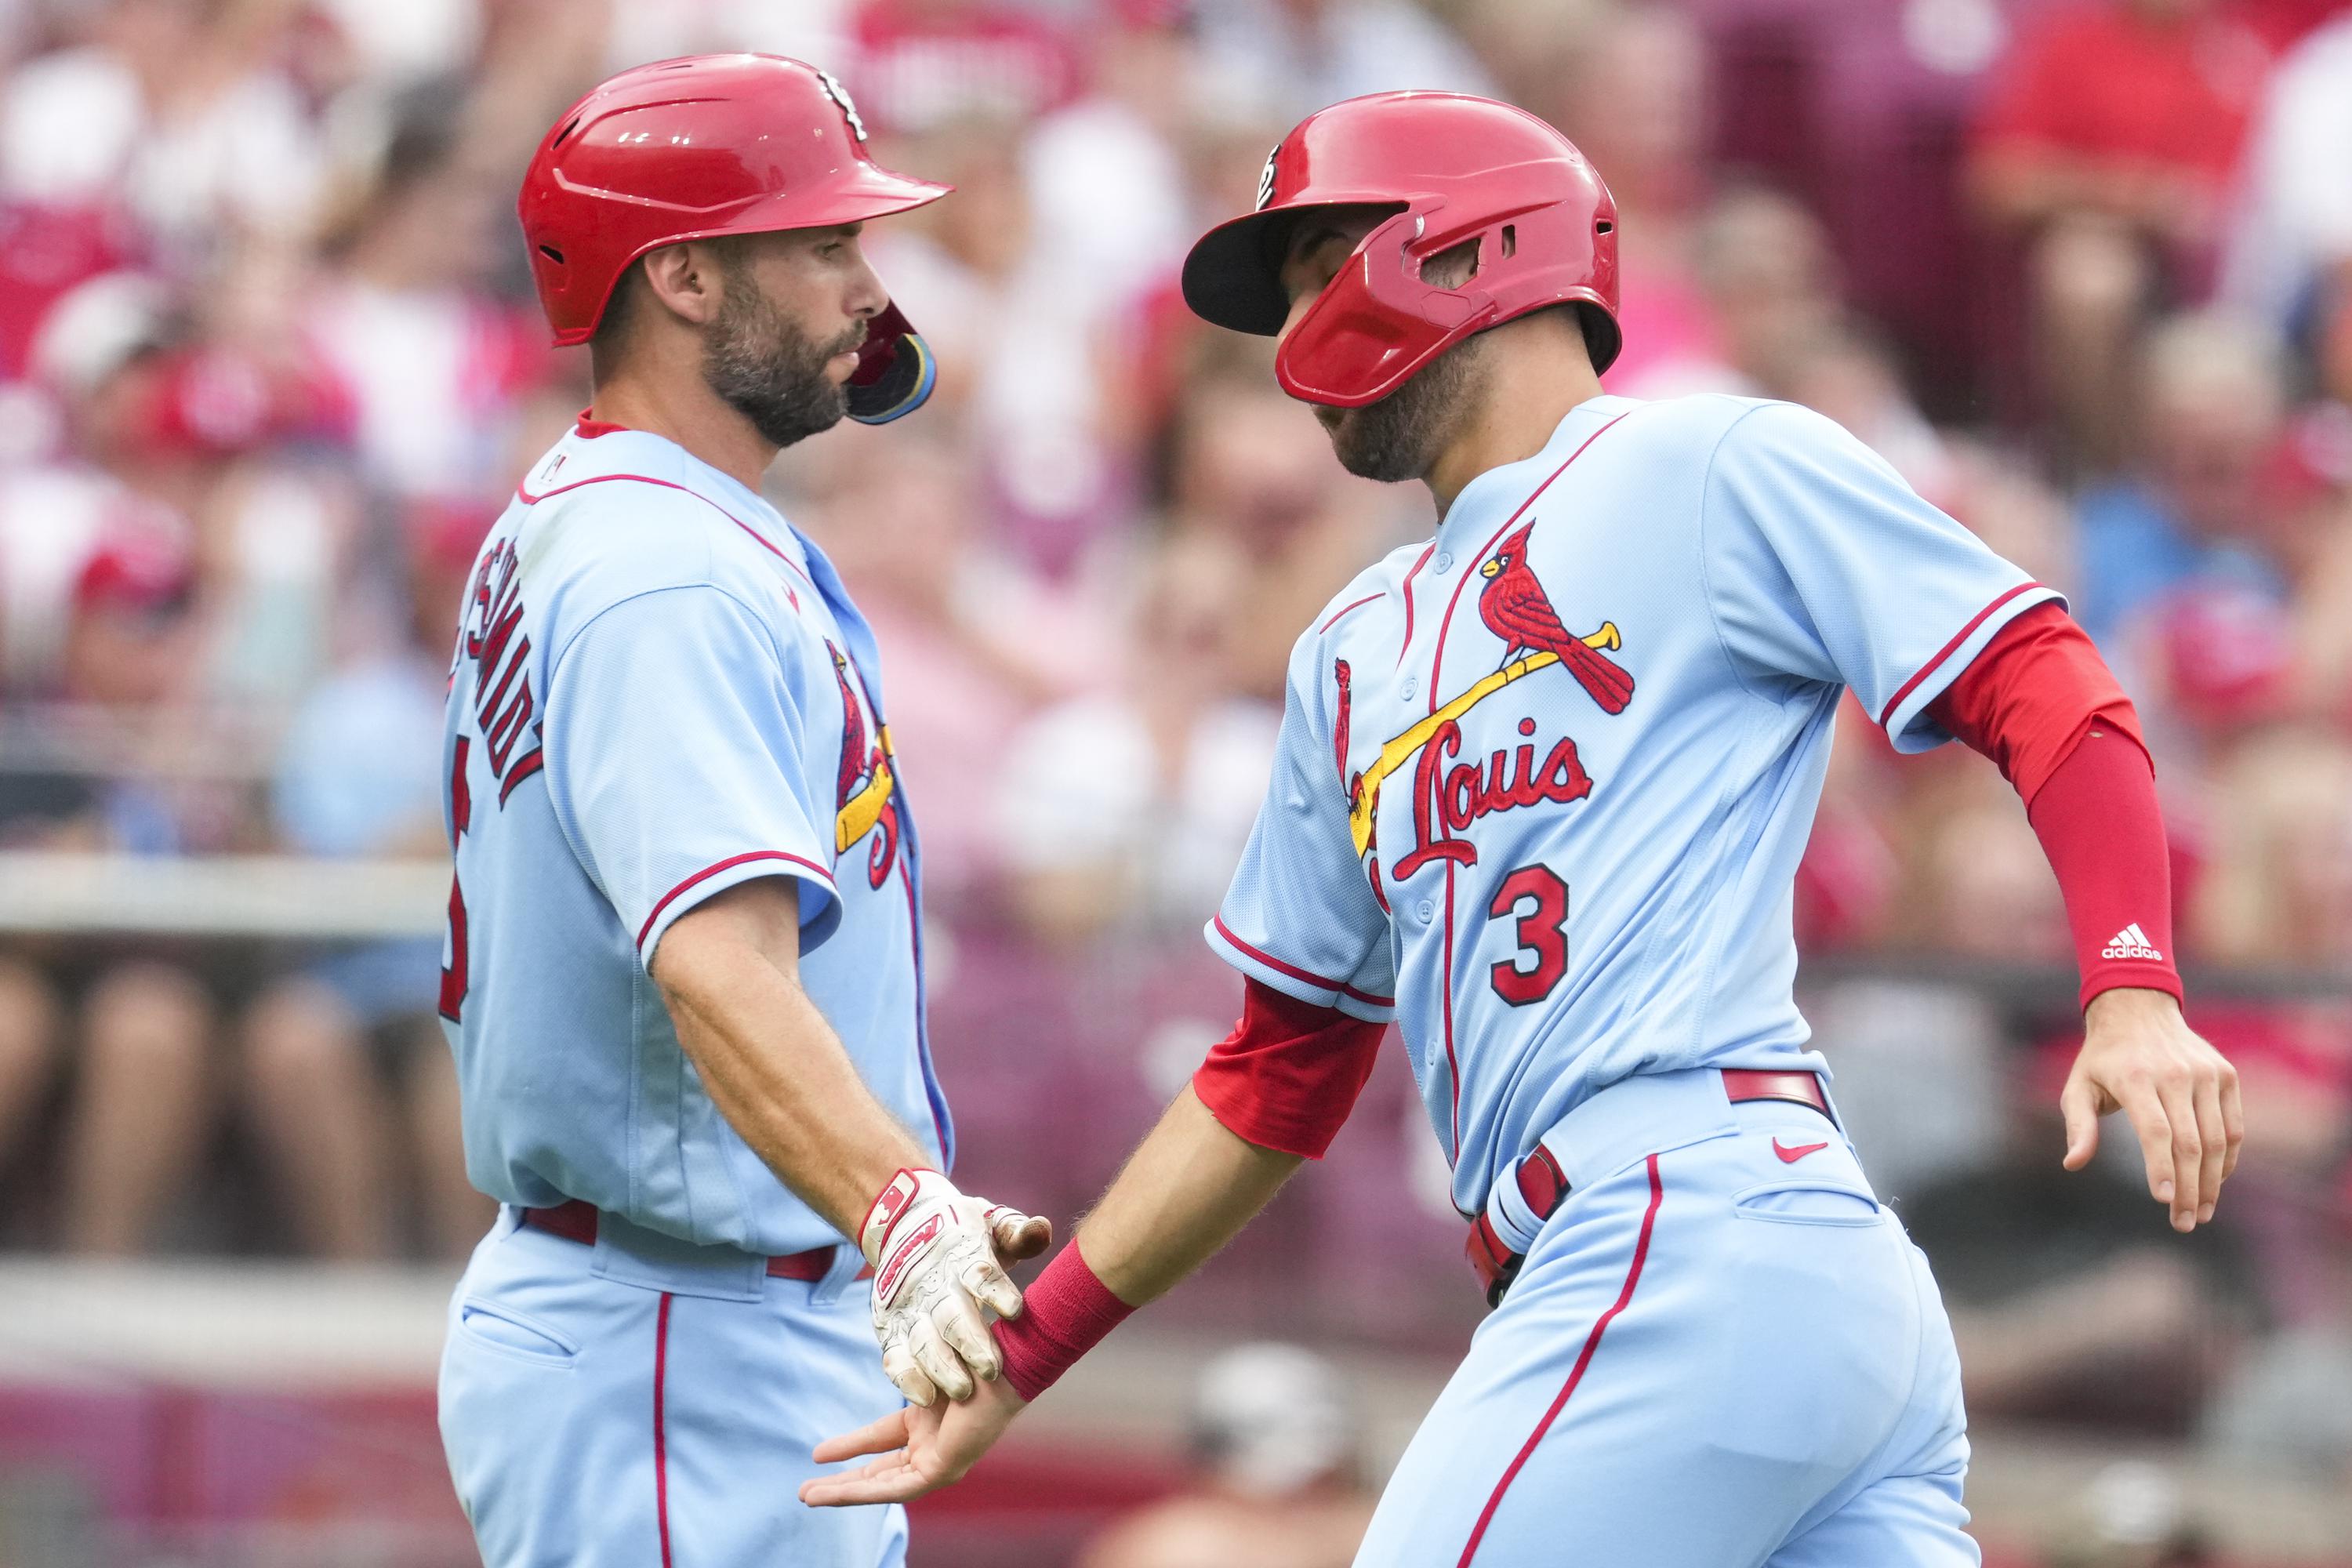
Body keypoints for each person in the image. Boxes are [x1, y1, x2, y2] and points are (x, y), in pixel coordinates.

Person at [800, 92, 2245, 1566]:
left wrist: (2129, 985)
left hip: (1686, 1229)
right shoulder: (1347, 648)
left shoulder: (1707, 465)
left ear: (1462, 252)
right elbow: (1273, 1079)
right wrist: (1025, 1352)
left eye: (1315, 271)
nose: (1292, 337)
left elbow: (2041, 676)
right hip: (1712, 1274)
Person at [434, 55, 1046, 1568]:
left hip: (689, 1321)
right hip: (676, 1338)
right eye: (826, 242)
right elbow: (713, 965)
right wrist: (907, 1218)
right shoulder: (667, 574)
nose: (866, 286)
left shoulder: (624, 517)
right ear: (689, 277)